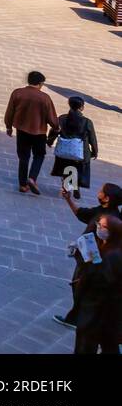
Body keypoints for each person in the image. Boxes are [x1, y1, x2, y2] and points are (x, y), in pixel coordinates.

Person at [54, 182, 122, 329]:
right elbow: (81, 214)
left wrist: (95, 260)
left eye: (101, 191)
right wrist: (68, 199)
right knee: (79, 284)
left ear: (107, 198)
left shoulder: (112, 218)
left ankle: (80, 318)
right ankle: (78, 317)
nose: (98, 192)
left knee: (81, 284)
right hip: (88, 253)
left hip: (95, 256)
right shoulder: (101, 209)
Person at [74, 214, 122, 354]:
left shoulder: (113, 257)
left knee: (86, 345)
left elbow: (98, 279)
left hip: (97, 310)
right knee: (109, 344)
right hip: (108, 312)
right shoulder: (110, 248)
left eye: (103, 226)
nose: (99, 228)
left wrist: (88, 262)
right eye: (98, 225)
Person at [4, 71, 58, 194]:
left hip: (22, 130)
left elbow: (10, 112)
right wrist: (56, 127)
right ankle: (32, 178)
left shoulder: (17, 93)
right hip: (39, 132)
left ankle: (23, 185)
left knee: (24, 157)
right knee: (39, 155)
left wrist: (8, 126)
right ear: (40, 83)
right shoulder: (45, 98)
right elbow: (52, 118)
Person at [50, 96, 98, 199]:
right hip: (80, 151)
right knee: (78, 168)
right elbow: (92, 138)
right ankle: (75, 186)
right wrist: (94, 151)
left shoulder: (62, 118)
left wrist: (50, 141)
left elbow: (54, 131)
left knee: (66, 167)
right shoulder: (86, 122)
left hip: (65, 149)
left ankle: (68, 187)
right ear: (81, 107)